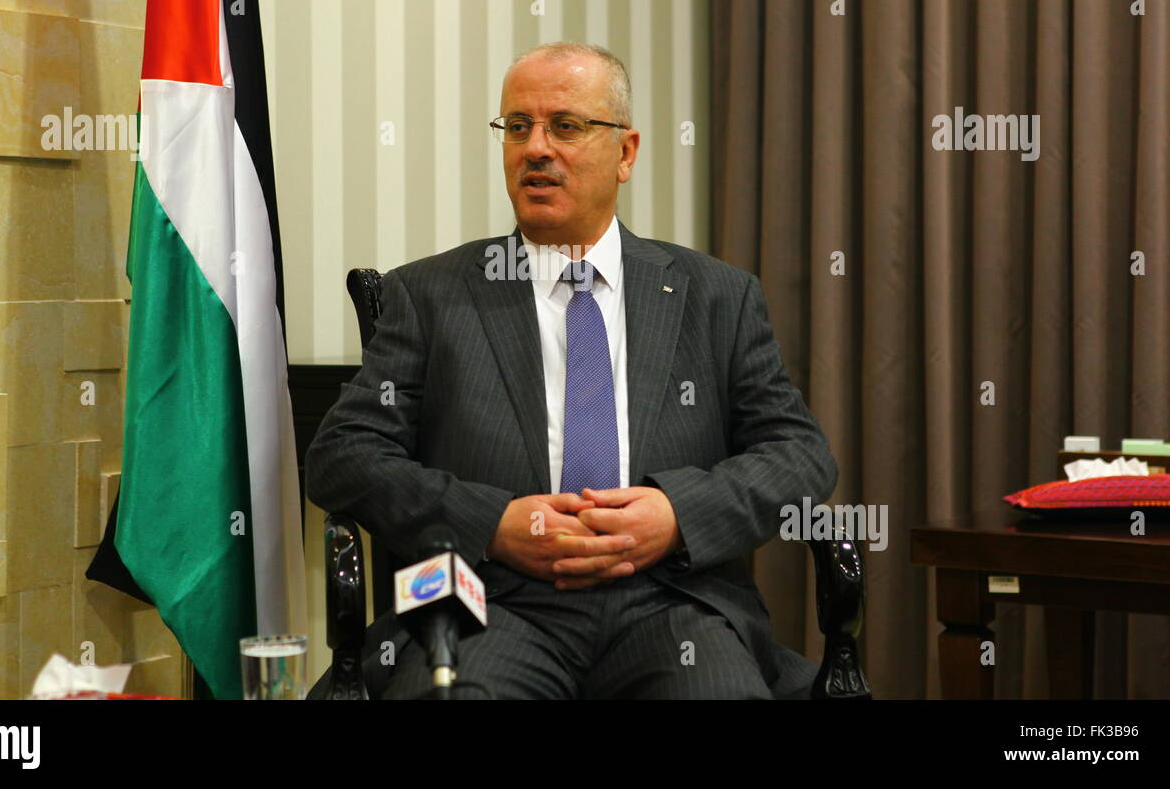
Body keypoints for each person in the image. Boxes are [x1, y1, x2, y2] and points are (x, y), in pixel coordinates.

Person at [306, 41, 838, 698]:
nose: (535, 148)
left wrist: (675, 513)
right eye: (517, 126)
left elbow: (801, 455)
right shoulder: (431, 295)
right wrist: (494, 523)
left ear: (626, 151)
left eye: (566, 126)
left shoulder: (715, 297)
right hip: (492, 604)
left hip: (671, 602)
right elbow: (342, 457)